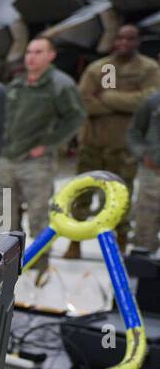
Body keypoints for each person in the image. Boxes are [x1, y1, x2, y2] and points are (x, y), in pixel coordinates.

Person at [0, 36, 87, 266]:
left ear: (51, 56)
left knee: (39, 217)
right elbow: (4, 123)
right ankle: (4, 266)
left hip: (36, 162)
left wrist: (49, 144)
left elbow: (76, 117)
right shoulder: (18, 84)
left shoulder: (61, 84)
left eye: (38, 52)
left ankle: (40, 264)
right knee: (2, 217)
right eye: (29, 52)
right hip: (7, 159)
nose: (31, 57)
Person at [69, 24, 160, 256]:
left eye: (130, 39)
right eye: (119, 38)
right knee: (82, 194)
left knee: (121, 196)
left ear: (138, 42)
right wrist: (123, 105)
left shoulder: (148, 69)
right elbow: (84, 103)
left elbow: (148, 100)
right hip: (93, 144)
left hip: (124, 147)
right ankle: (75, 240)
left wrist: (108, 97)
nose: (123, 43)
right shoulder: (102, 68)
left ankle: (119, 241)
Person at [126, 89, 160, 253]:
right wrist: (143, 154)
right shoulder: (153, 102)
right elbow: (134, 132)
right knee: (145, 226)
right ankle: (143, 272)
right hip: (153, 174)